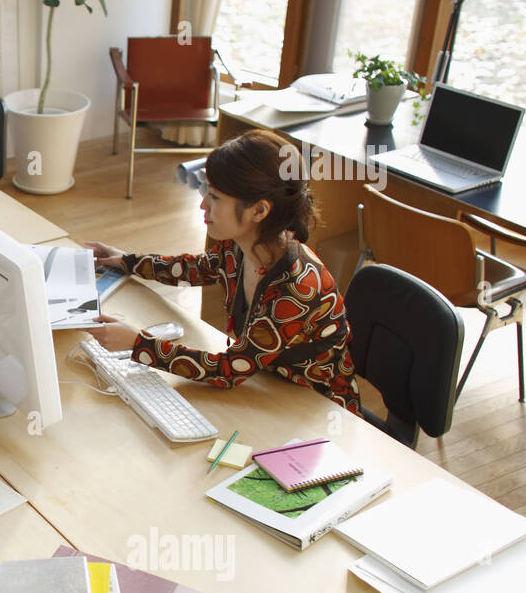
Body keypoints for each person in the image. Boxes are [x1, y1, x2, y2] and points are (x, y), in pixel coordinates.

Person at [86, 129, 361, 413]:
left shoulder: (298, 286)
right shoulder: (239, 246)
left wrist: (138, 344)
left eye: (215, 197)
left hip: (318, 409)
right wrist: (127, 261)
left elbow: (229, 370)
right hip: (268, 386)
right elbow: (197, 268)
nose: (203, 204)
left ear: (259, 211)